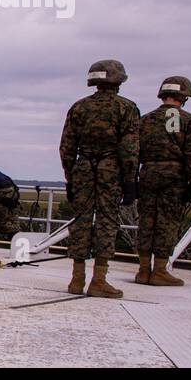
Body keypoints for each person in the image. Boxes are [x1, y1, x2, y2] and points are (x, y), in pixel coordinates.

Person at [59, 59, 140, 299]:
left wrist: (71, 177)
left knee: (80, 220)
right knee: (107, 220)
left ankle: (77, 278)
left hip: (82, 168)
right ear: (118, 81)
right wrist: (129, 181)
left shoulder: (79, 107)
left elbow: (66, 147)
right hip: (111, 169)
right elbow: (130, 148)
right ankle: (99, 280)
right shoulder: (126, 108)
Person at [135, 76, 191, 287]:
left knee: (147, 220)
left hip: (148, 173)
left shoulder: (144, 120)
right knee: (167, 222)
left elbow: (133, 151)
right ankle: (160, 271)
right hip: (174, 177)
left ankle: (143, 270)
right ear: (183, 96)